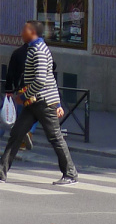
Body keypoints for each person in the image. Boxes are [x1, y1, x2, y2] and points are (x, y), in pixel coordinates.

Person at [0, 21, 78, 185]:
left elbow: (42, 80)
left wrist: (24, 95)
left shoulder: (39, 50)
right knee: (16, 134)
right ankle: (1, 172)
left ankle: (70, 174)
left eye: (24, 29)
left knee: (55, 137)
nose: (21, 32)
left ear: (32, 32)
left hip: (42, 102)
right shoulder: (34, 48)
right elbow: (50, 78)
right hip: (34, 102)